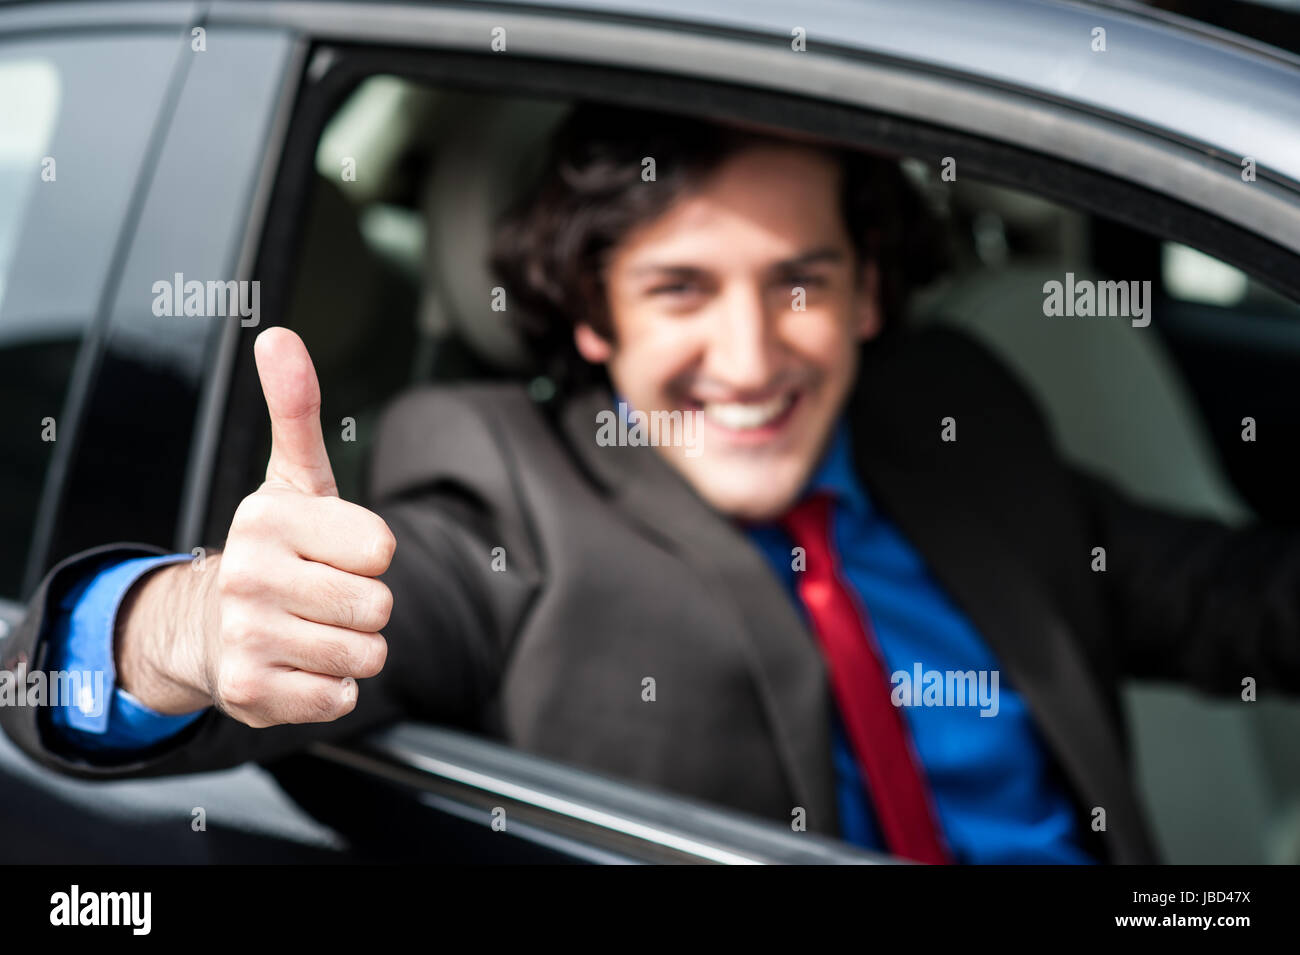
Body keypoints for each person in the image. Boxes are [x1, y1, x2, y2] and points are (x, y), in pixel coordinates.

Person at [2, 104, 1295, 864]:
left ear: (865, 297)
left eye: (803, 280)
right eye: (680, 290)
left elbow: (1227, 598)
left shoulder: (958, 424)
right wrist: (175, 626)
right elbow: (338, 627)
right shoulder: (501, 485)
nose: (751, 356)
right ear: (592, 322)